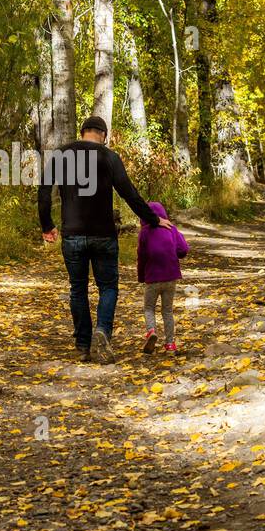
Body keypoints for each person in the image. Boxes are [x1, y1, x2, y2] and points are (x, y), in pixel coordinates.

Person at [38, 115, 173, 362]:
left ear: (82, 132)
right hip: (104, 236)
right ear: (103, 134)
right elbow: (129, 193)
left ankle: (82, 344)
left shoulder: (61, 154)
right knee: (108, 287)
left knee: (77, 289)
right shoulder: (109, 157)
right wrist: (154, 219)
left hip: (73, 236)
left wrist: (47, 225)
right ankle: (102, 332)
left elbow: (44, 190)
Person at [137, 200, 189, 354]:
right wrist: (174, 252)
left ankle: (151, 331)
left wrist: (141, 276)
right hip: (171, 278)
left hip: (152, 279)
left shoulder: (144, 232)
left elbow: (141, 257)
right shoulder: (171, 229)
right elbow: (183, 249)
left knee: (148, 308)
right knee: (167, 311)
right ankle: (170, 344)